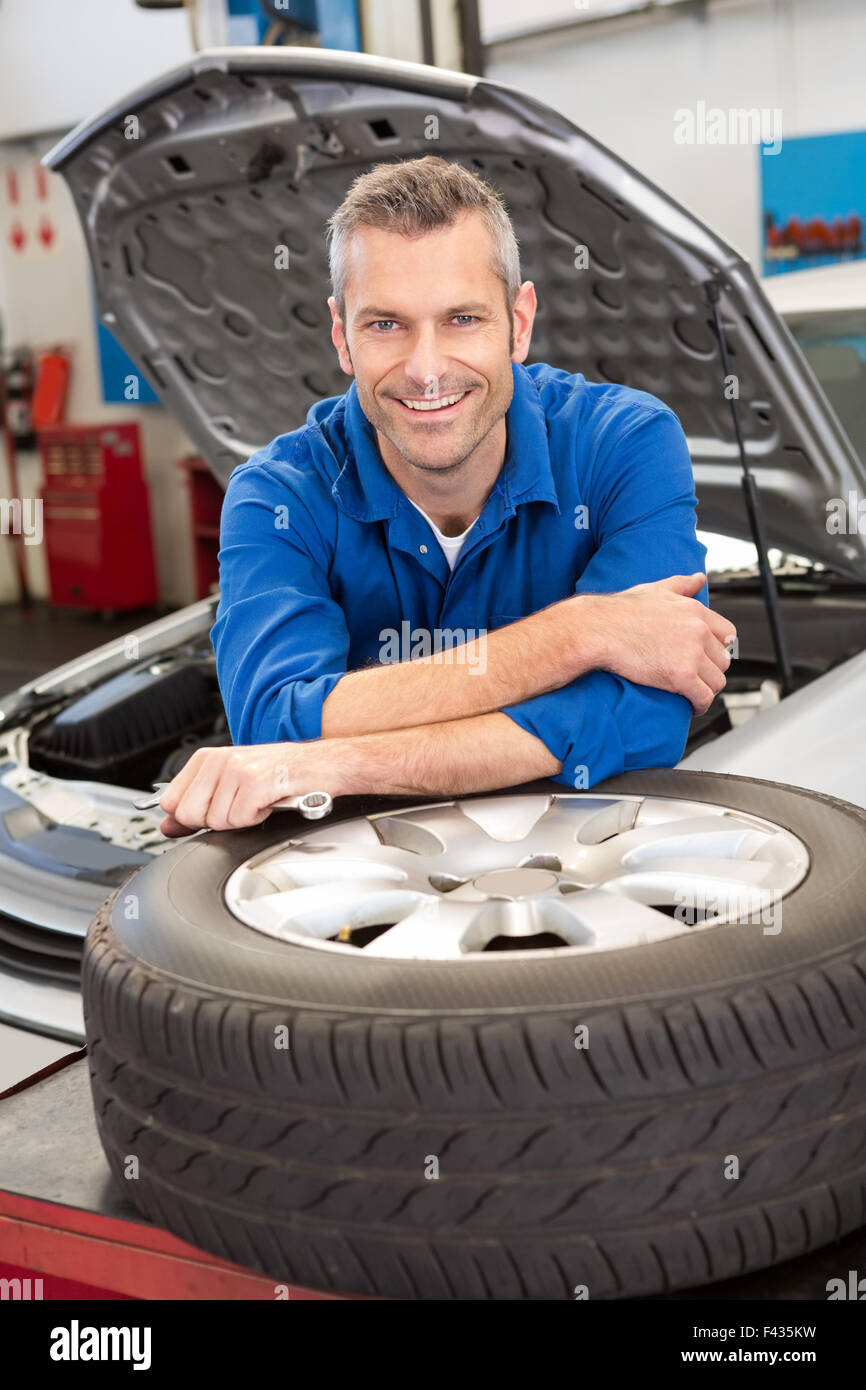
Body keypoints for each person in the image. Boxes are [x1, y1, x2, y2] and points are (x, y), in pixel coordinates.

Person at [156, 156, 735, 836]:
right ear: (342, 335)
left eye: (462, 318)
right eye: (385, 325)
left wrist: (336, 763)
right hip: (343, 898)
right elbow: (275, 718)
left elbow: (637, 715)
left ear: (518, 324)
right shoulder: (278, 495)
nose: (427, 371)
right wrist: (585, 633)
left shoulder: (624, 444)